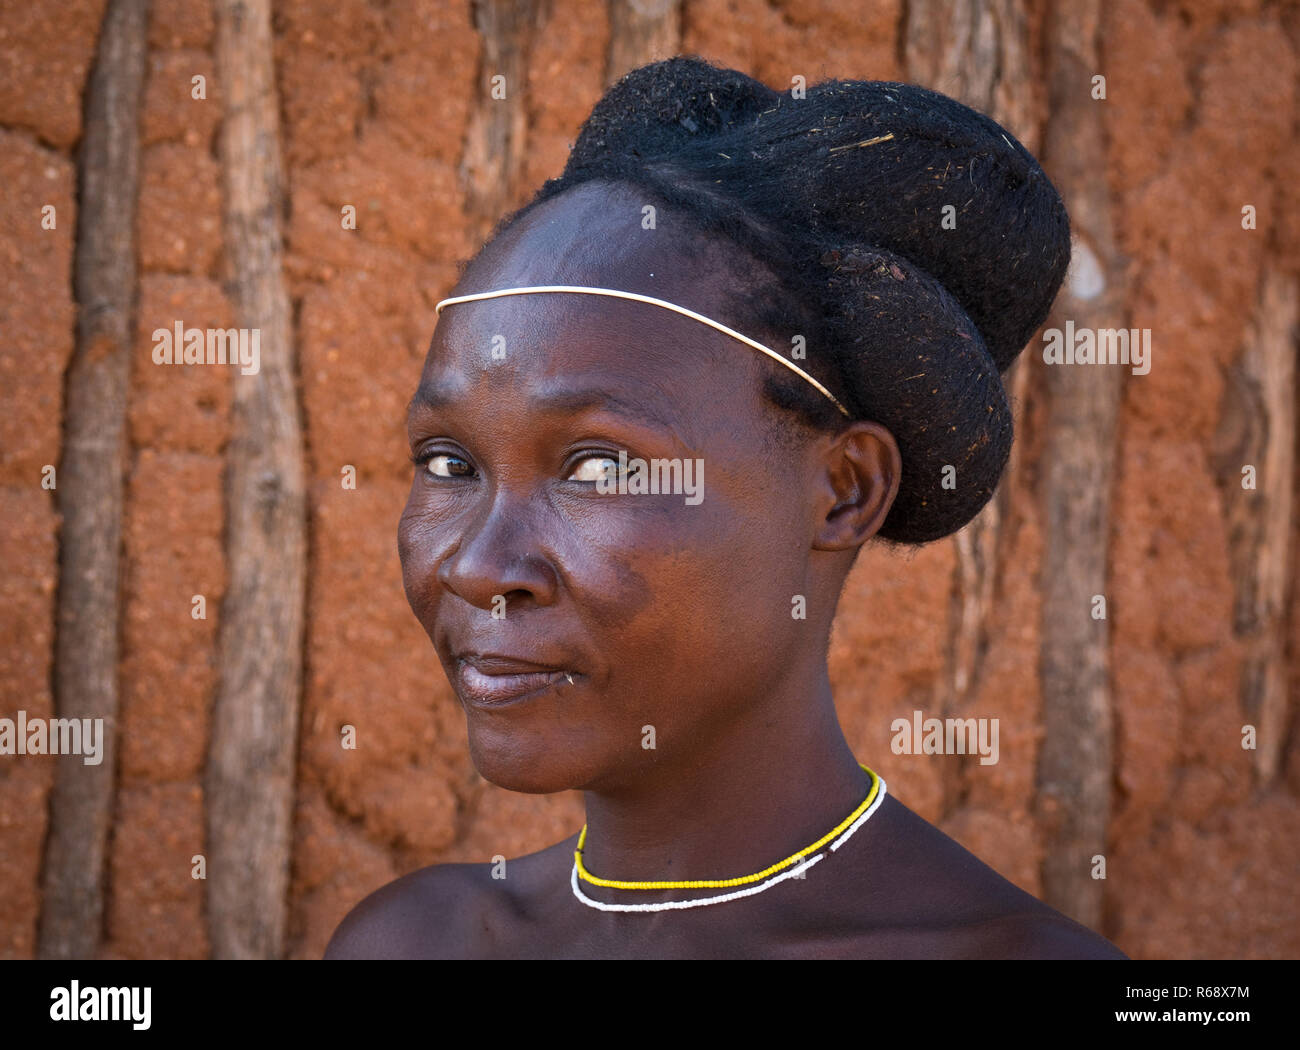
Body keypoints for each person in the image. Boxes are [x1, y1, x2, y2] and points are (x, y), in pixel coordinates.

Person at [325, 55, 1127, 959]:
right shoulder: (414, 945)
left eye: (596, 469)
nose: (475, 568)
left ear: (845, 490)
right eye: (449, 461)